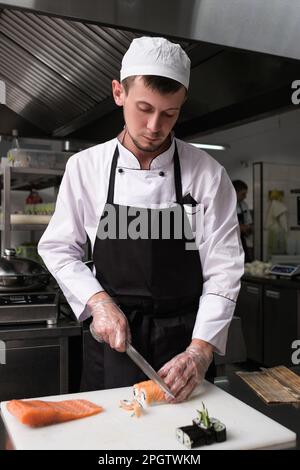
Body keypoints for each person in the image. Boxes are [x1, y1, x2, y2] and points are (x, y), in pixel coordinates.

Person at [38, 37, 244, 403]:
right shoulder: (86, 168)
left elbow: (224, 270)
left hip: (185, 342)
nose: (154, 125)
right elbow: (58, 249)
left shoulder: (208, 175)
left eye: (170, 113)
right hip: (115, 340)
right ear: (119, 93)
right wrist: (98, 302)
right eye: (144, 108)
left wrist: (200, 351)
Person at [232, 180, 253, 263]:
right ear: (234, 192)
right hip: (229, 243)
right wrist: (239, 227)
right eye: (243, 194)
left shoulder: (243, 205)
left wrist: (248, 228)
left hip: (241, 241)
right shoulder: (224, 205)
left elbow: (249, 222)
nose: (245, 197)